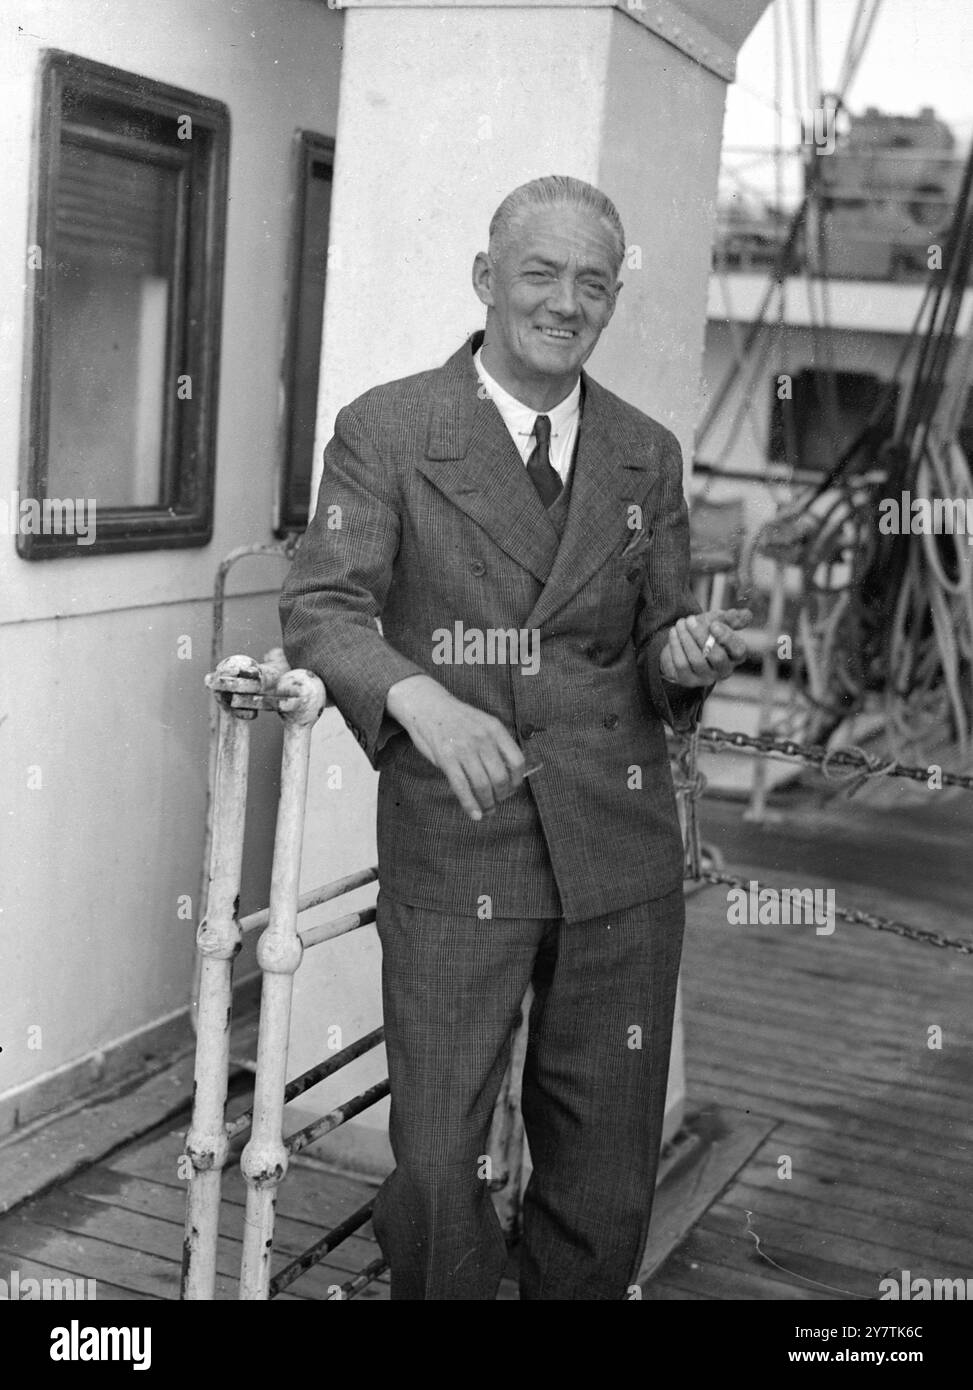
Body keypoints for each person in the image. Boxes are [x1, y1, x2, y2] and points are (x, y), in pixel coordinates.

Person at [279, 174, 750, 1300]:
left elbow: (658, 640)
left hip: (616, 846)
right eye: (540, 272)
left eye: (594, 282)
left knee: (603, 1171)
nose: (566, 301)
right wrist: (415, 696)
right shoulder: (387, 428)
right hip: (460, 835)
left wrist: (681, 661)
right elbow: (322, 607)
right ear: (487, 279)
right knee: (438, 1162)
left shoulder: (647, 454)